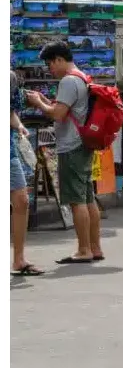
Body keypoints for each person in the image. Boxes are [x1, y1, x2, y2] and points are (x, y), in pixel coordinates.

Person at [25, 42, 104, 264]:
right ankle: (95, 247)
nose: (50, 69)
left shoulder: (68, 81)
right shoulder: (82, 77)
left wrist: (38, 103)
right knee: (88, 198)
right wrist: (45, 101)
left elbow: (58, 114)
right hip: (83, 144)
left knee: (77, 201)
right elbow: (67, 110)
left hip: (72, 146)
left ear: (60, 59)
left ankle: (84, 250)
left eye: (50, 63)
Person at [10, 72, 43, 276]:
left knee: (22, 201)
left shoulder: (10, 78)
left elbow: (9, 111)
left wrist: (19, 125)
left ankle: (19, 259)